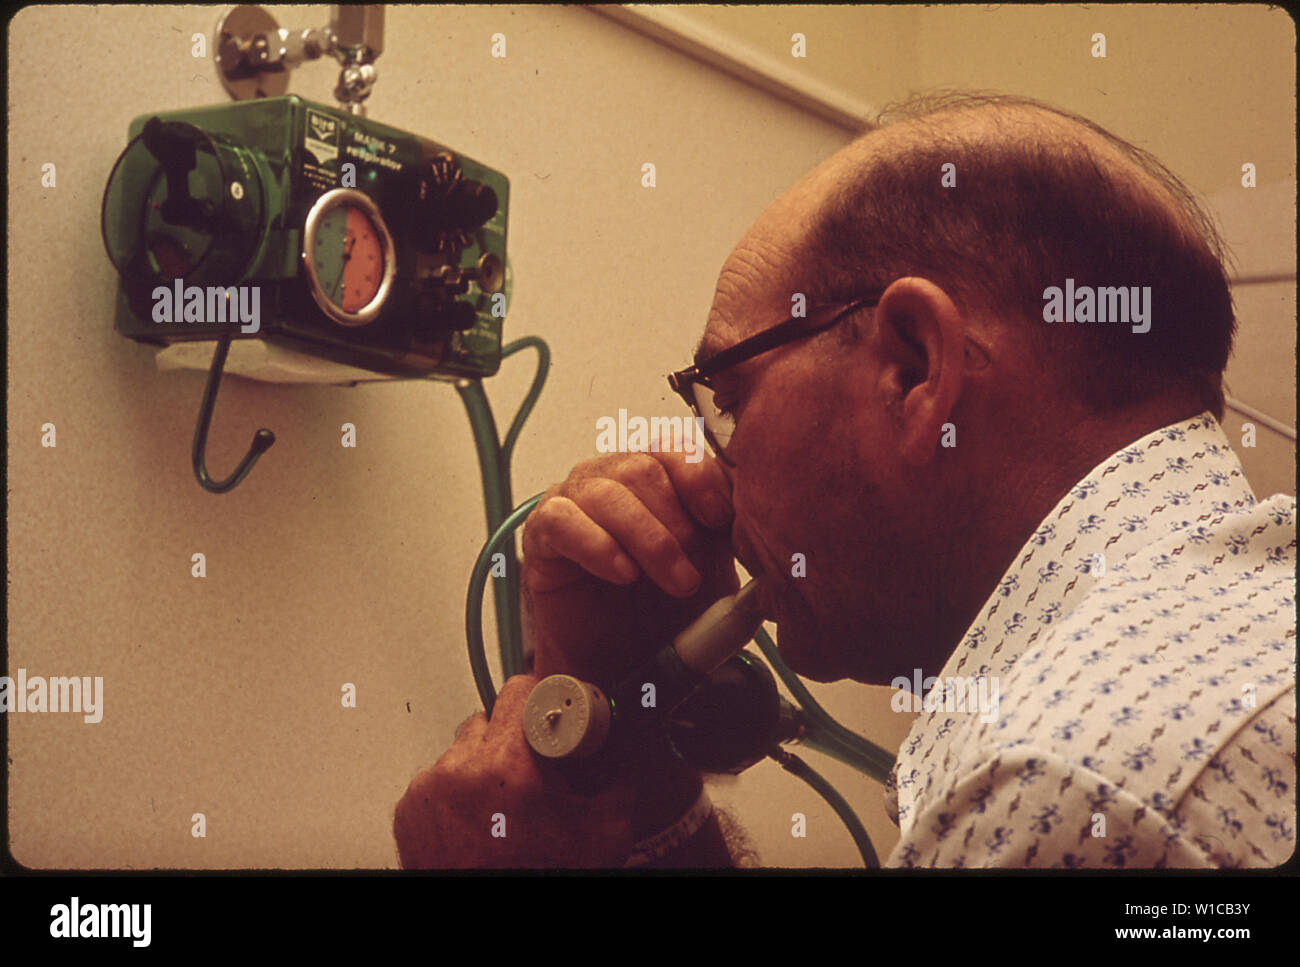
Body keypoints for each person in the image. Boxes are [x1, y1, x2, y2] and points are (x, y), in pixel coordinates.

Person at [393, 91, 1296, 869]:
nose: (716, 467)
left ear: (913, 367)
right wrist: (640, 792)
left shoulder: (1070, 779)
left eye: (730, 396)